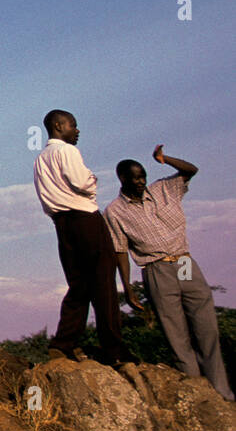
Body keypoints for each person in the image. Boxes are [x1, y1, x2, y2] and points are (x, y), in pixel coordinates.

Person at [104, 146, 232, 399]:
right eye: (135, 178)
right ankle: (199, 395)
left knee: (206, 329)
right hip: (156, 269)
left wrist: (164, 160)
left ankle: (222, 392)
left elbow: (191, 170)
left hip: (184, 263)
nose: (141, 181)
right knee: (176, 335)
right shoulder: (114, 211)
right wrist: (128, 287)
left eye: (143, 176)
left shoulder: (164, 188)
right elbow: (120, 250)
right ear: (122, 179)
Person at [33, 110, 134, 365]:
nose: (77, 131)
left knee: (79, 285)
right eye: (73, 125)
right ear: (59, 126)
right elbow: (82, 182)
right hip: (85, 221)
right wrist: (93, 180)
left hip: (62, 225)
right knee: (103, 283)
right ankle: (114, 349)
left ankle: (63, 342)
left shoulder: (40, 159)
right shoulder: (67, 152)